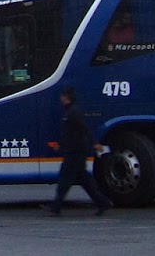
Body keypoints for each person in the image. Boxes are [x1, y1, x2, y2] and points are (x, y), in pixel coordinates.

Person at [49, 86, 113, 216]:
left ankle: (56, 207)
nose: (61, 99)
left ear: (66, 97)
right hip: (75, 151)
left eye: (63, 96)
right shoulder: (70, 111)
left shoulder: (73, 112)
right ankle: (103, 202)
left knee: (64, 180)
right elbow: (70, 133)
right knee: (85, 181)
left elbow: (84, 129)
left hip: (76, 152)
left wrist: (95, 143)